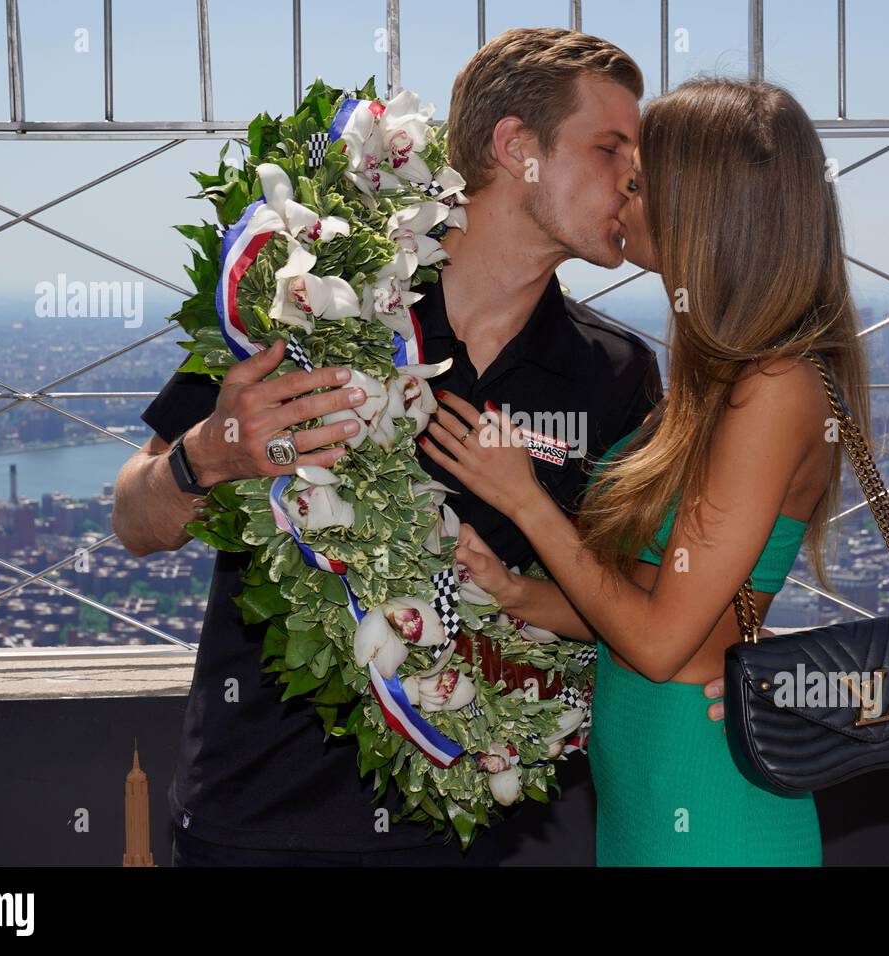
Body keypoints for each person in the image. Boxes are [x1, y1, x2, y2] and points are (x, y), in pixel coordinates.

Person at [112, 27, 673, 866]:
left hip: (459, 825)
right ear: (516, 146)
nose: (635, 175)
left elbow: (630, 602)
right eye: (609, 146)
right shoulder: (314, 297)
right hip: (253, 818)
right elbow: (134, 517)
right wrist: (214, 453)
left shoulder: (616, 373)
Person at [418, 77, 873, 866]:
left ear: (705, 204)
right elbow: (641, 606)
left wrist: (526, 501)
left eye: (641, 179)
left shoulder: (772, 387)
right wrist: (516, 590)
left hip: (709, 811)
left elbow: (661, 645)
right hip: (650, 796)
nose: (622, 198)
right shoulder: (719, 380)